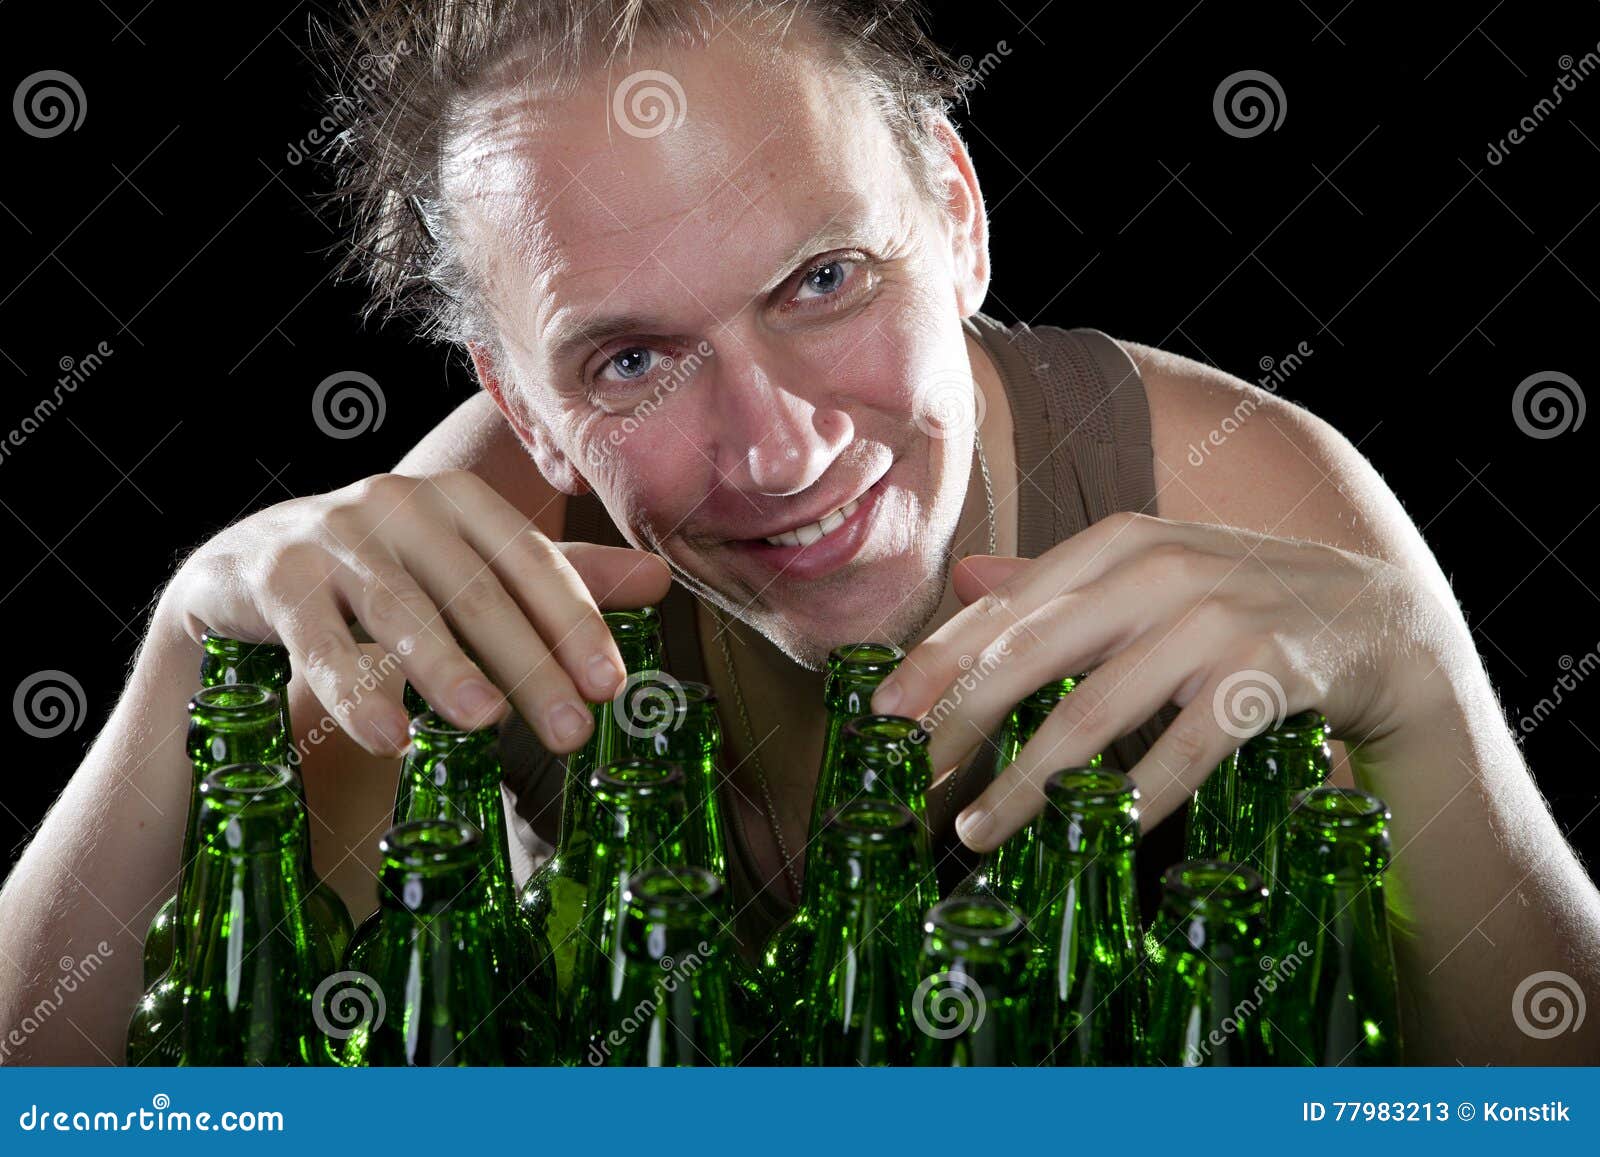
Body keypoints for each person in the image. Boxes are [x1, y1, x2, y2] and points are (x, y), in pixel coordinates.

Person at [2, 0, 1596, 1065]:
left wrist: (1425, 690)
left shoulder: (1241, 490)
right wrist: (177, 661)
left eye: (823, 280)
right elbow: (55, 1081)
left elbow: (1549, 1077)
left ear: (958, 216)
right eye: (630, 359)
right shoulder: (463, 553)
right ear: (523, 401)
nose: (776, 448)